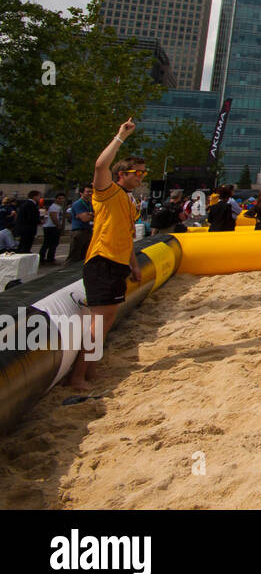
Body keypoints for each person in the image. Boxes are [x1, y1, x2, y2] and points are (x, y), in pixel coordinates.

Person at [68, 119, 146, 391]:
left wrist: (134, 265)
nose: (141, 177)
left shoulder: (129, 200)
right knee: (98, 323)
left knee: (106, 321)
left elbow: (127, 235)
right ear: (122, 174)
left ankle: (91, 370)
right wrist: (120, 136)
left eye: (143, 174)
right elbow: (100, 166)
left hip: (117, 264)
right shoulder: (107, 192)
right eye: (138, 173)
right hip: (101, 262)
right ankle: (78, 376)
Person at [39, 192, 66, 264]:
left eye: (63, 199)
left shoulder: (59, 207)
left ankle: (49, 257)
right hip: (51, 227)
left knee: (53, 243)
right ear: (56, 199)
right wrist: (58, 225)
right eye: (60, 198)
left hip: (52, 227)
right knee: (49, 243)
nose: (61, 200)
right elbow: (53, 216)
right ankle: (46, 258)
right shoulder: (54, 206)